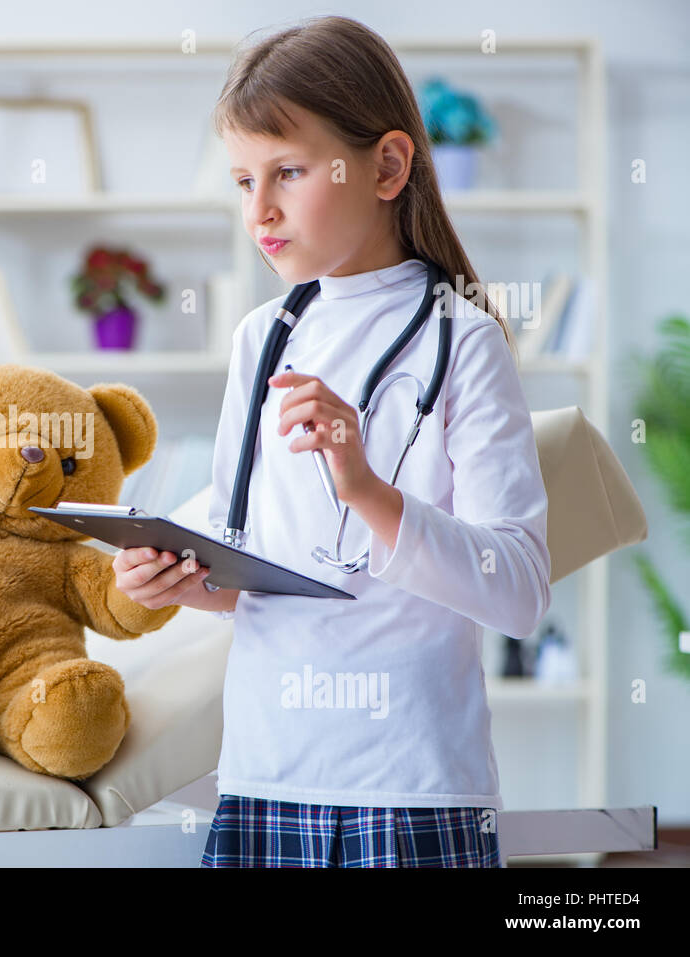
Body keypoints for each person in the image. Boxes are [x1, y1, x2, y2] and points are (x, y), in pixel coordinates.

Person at [111, 15, 550, 867]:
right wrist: (178, 581)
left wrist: (367, 487)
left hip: (409, 789)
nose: (259, 210)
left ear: (386, 166)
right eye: (242, 181)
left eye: (288, 172)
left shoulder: (463, 341)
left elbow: (521, 591)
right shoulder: (259, 339)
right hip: (265, 777)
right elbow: (264, 578)